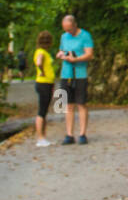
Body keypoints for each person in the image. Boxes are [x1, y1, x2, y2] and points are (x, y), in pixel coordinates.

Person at [56, 14, 93, 145]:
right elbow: (61, 50)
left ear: (75, 25)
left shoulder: (85, 35)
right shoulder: (63, 37)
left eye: (69, 29)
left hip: (80, 74)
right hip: (66, 74)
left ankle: (82, 134)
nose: (67, 32)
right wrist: (61, 54)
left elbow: (89, 55)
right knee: (67, 105)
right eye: (65, 29)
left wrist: (76, 59)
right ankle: (69, 134)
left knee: (81, 104)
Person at [32, 31, 56, 147]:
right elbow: (39, 62)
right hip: (43, 83)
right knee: (42, 111)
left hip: (47, 83)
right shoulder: (41, 52)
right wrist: (42, 71)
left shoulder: (42, 51)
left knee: (44, 111)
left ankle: (43, 137)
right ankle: (40, 138)